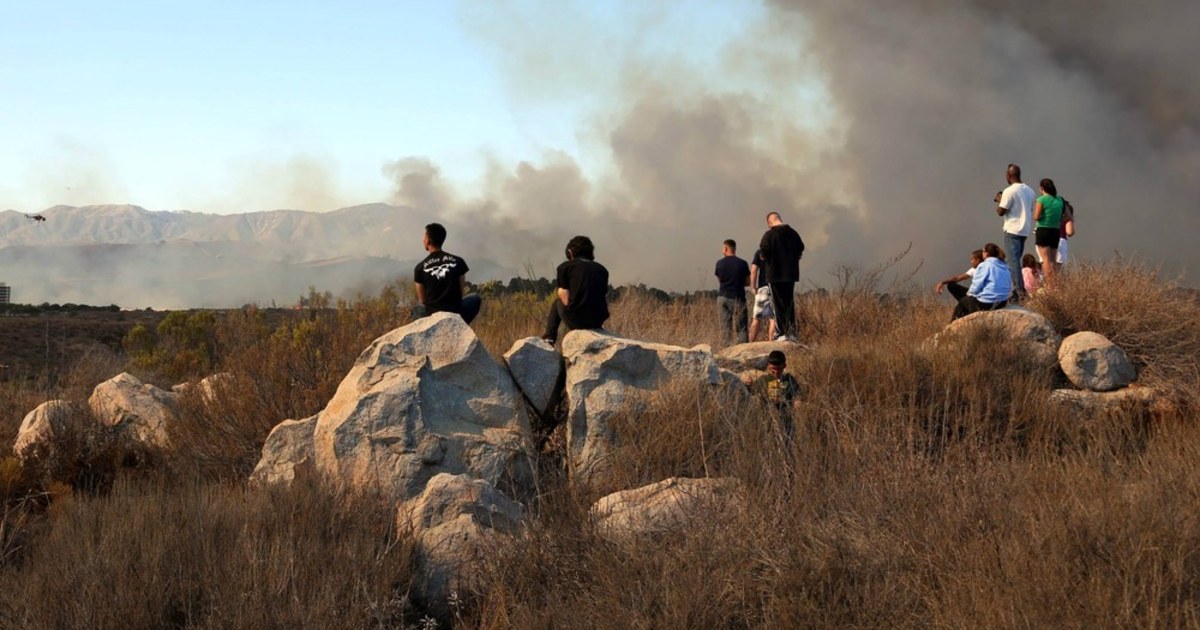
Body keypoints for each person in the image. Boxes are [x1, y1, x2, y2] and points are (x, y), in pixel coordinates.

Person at [542, 235, 610, 345]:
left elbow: (565, 297)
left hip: (578, 320)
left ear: (570, 252)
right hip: (597, 321)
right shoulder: (602, 270)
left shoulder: (565, 267)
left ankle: (549, 338)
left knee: (557, 302)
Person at [413, 222, 480, 324]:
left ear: (427, 240)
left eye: (424, 237)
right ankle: (460, 326)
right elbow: (460, 293)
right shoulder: (458, 261)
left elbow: (423, 301)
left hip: (432, 316)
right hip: (456, 313)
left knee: (417, 309)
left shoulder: (420, 267)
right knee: (475, 298)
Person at [758, 212, 805, 341]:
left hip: (774, 275)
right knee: (789, 302)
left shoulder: (769, 235)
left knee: (778, 304)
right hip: (790, 275)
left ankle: (781, 333)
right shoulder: (793, 233)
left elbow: (763, 254)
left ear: (770, 222)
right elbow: (801, 249)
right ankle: (792, 332)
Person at [995, 164, 1036, 301]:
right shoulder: (1030, 191)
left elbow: (1001, 211)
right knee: (1015, 261)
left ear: (1008, 175)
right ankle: (1015, 290)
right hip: (1024, 230)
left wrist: (999, 201)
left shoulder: (1009, 191)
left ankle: (1019, 292)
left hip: (1012, 229)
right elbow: (1028, 209)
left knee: (1013, 262)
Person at [749, 350, 801, 440]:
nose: (776, 372)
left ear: (784, 366)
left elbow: (798, 393)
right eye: (773, 369)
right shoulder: (764, 380)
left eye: (779, 369)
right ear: (768, 366)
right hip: (768, 420)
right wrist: (749, 385)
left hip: (786, 419)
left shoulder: (789, 380)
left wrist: (797, 401)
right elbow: (750, 391)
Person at [951, 242, 1012, 320]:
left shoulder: (985, 265)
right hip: (1002, 302)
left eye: (983, 251)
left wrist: (969, 294)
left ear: (987, 254)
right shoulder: (1005, 265)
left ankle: (951, 328)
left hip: (987, 304)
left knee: (963, 302)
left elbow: (976, 285)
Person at [715, 239, 750, 344]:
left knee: (725, 328)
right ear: (734, 249)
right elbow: (748, 282)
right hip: (737, 297)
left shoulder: (719, 263)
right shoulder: (742, 263)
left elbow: (720, 280)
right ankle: (742, 351)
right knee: (741, 328)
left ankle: (726, 352)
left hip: (722, 297)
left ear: (726, 249)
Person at [1032, 178, 1064, 286]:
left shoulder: (1041, 199)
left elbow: (1036, 217)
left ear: (1042, 188)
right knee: (1053, 259)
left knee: (1045, 259)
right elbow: (1067, 216)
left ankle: (1048, 284)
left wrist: (1042, 216)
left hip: (1043, 230)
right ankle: (1054, 282)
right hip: (1055, 231)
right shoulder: (1060, 200)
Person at [749, 248, 776, 342]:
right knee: (773, 319)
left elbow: (753, 270)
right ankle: (771, 343)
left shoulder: (760, 252)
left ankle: (750, 344)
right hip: (775, 289)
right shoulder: (780, 251)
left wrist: (753, 287)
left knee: (756, 319)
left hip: (761, 290)